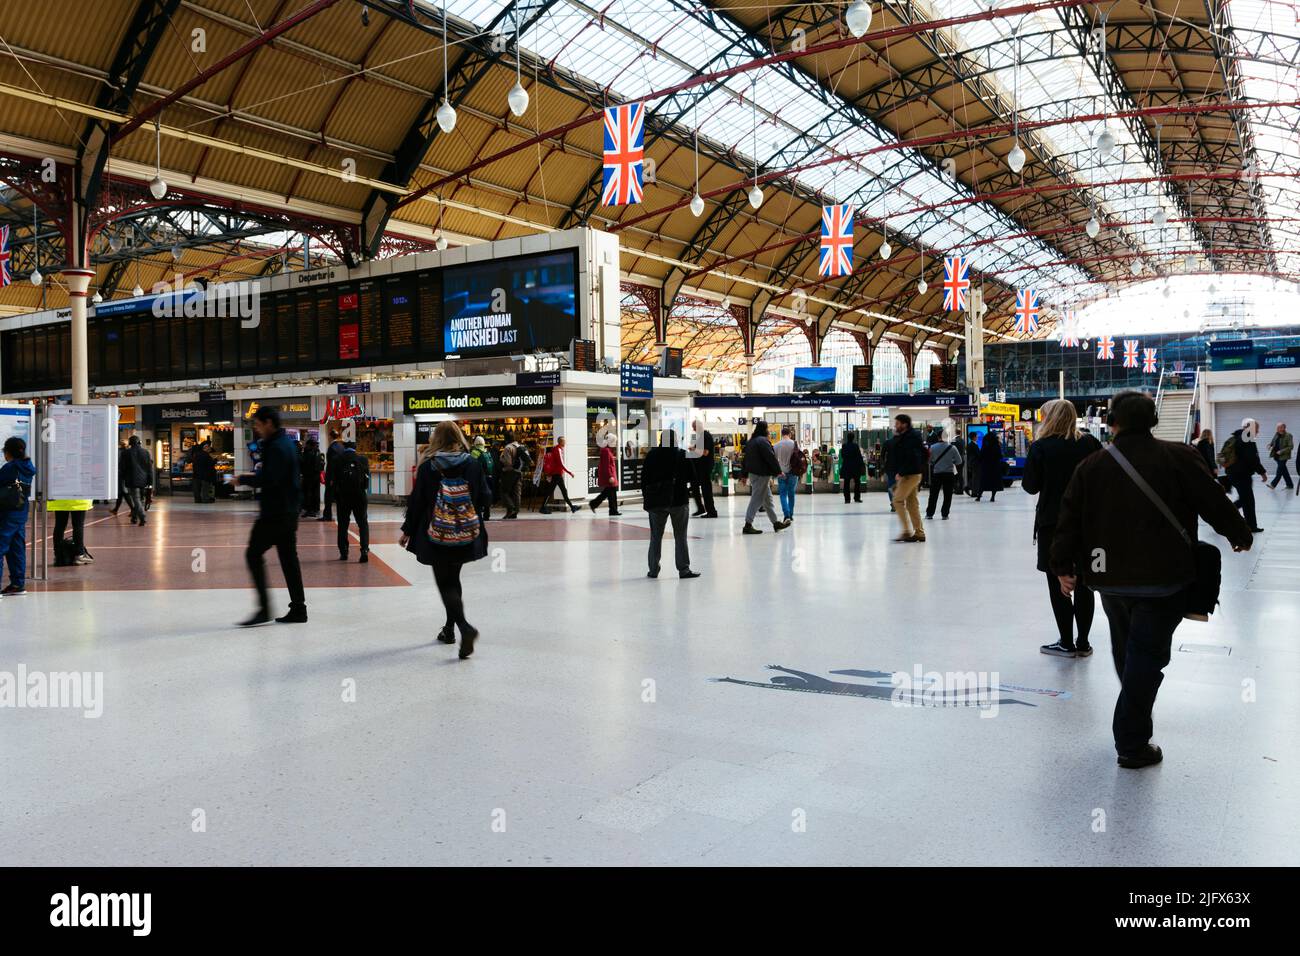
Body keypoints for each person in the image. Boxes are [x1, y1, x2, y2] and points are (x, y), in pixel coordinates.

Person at [1051, 391, 1252, 769]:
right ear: (1154, 421)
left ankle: (1134, 721)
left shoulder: (1092, 465)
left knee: (1127, 651)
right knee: (1145, 657)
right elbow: (1214, 500)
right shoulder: (1179, 457)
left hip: (1107, 577)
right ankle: (1131, 742)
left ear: (1112, 422)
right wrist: (1238, 534)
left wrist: (1063, 567)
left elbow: (1069, 518)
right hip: (1164, 578)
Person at [400, 421, 490, 658]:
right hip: (465, 532)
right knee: (454, 578)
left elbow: (417, 501)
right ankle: (449, 630)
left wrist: (407, 529)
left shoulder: (429, 466)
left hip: (436, 533)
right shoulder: (472, 462)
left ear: (436, 439)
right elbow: (486, 495)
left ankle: (464, 628)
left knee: (445, 583)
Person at [1022, 399, 1101, 657]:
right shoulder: (1090, 443)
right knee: (1085, 582)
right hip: (1087, 522)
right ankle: (1084, 642)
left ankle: (1066, 641)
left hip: (1052, 524)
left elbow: (1030, 486)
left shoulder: (1041, 447)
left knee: (1059, 581)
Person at [237, 406, 307, 626]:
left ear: (268, 423)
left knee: (253, 554)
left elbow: (270, 479)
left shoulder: (276, 446)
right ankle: (298, 609)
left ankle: (265, 608)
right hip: (288, 511)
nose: (257, 429)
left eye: (258, 424)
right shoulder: (285, 443)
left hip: (275, 513)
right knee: (288, 560)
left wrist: (243, 479)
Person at [642, 428, 699, 579]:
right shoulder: (682, 454)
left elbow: (644, 480)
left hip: (656, 501)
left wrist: (647, 497)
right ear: (676, 439)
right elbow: (693, 478)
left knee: (656, 536)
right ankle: (684, 570)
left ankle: (653, 570)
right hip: (679, 500)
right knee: (680, 536)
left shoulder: (651, 455)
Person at [0, 437, 35, 596]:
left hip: (6, 513)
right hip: (21, 513)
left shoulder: (10, 468)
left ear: (8, 452)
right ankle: (17, 584)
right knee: (16, 548)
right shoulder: (28, 467)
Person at [1220, 418, 1267, 533]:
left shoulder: (1237, 436)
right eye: (1257, 428)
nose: (1258, 431)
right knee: (1248, 500)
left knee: (1244, 499)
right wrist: (1262, 472)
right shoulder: (1247, 438)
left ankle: (1225, 515)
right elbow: (1252, 458)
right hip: (1241, 474)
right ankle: (1250, 526)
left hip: (1234, 473)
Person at [742, 421, 785, 535]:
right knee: (757, 499)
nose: (769, 431)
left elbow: (745, 459)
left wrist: (744, 474)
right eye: (767, 429)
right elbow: (770, 457)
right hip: (762, 474)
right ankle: (748, 524)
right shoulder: (763, 441)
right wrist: (779, 471)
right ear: (764, 429)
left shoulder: (751, 441)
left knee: (767, 499)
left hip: (753, 474)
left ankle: (776, 523)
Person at [888, 414, 926, 542]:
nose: (896, 426)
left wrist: (901, 472)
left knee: (897, 500)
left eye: (898, 423)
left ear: (904, 424)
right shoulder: (907, 436)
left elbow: (911, 456)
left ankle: (906, 531)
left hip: (910, 474)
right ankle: (919, 533)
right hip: (912, 473)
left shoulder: (911, 437)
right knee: (912, 504)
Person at [332, 442, 371, 563]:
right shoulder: (363, 459)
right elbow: (366, 480)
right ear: (355, 448)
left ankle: (344, 551)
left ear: (344, 448)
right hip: (359, 496)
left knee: (343, 525)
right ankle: (364, 549)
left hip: (343, 497)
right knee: (363, 523)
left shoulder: (337, 459)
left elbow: (333, 479)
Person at [924, 430, 963, 521]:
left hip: (936, 474)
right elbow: (959, 461)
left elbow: (929, 461)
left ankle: (929, 514)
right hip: (949, 474)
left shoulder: (932, 447)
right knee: (948, 495)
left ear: (938, 437)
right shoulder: (952, 448)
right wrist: (951, 461)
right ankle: (945, 514)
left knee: (933, 495)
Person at [118, 435, 153, 527]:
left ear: (130, 443)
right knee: (140, 499)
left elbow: (121, 467)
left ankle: (142, 517)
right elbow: (149, 468)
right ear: (139, 442)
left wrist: (122, 477)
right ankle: (134, 517)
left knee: (136, 500)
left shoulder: (126, 453)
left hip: (131, 479)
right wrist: (150, 482)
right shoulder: (146, 452)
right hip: (144, 480)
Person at [539, 436, 579, 514]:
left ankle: (572, 507)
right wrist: (569, 472)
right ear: (560, 442)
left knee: (562, 491)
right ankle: (542, 507)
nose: (565, 443)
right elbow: (561, 463)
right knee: (551, 491)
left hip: (557, 474)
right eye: (564, 441)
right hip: (557, 474)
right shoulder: (558, 449)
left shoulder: (556, 449)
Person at [49, 498, 93, 566]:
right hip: (78, 499)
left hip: (60, 499)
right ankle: (79, 555)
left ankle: (58, 555)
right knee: (78, 526)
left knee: (59, 526)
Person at [689, 420, 718, 518]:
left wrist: (693, 449)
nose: (693, 429)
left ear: (699, 426)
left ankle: (712, 511)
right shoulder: (698, 437)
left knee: (706, 490)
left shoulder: (706, 436)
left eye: (694, 427)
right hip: (698, 468)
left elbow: (705, 452)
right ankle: (701, 508)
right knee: (694, 487)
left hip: (705, 467)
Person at [773, 425, 800, 524]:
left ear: (782, 434)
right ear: (790, 434)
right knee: (791, 493)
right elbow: (799, 458)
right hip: (793, 472)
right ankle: (791, 514)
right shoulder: (795, 444)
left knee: (783, 494)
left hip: (781, 472)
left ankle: (786, 515)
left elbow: (774, 460)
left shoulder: (776, 445)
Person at [588, 438, 620, 516]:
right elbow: (606, 465)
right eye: (614, 441)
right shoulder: (606, 451)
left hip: (610, 475)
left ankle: (612, 510)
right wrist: (610, 476)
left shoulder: (607, 450)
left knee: (610, 492)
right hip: (609, 476)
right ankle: (595, 504)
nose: (615, 443)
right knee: (609, 492)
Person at [320, 429, 344, 522]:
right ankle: (341, 515)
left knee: (328, 497)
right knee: (339, 497)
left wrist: (331, 478)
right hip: (339, 476)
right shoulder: (341, 447)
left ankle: (327, 515)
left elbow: (332, 464)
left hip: (332, 476)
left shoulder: (332, 447)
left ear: (330, 436)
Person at [470, 435, 494, 520]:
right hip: (489, 476)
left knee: (478, 495)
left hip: (480, 477)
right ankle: (487, 514)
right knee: (487, 494)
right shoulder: (487, 452)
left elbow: (471, 464)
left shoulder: (475, 452)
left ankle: (478, 513)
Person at [976, 430, 1005, 502]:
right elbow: (1000, 456)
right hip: (995, 466)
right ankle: (992, 497)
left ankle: (979, 497)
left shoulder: (985, 446)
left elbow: (981, 455)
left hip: (985, 466)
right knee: (994, 483)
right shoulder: (996, 445)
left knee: (983, 482)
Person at [299, 438, 323, 517]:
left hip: (309, 477)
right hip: (316, 477)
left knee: (308, 494)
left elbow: (305, 464)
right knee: (315, 494)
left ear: (309, 445)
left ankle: (309, 510)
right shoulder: (318, 452)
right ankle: (315, 509)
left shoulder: (309, 453)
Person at [840, 431, 866, 503]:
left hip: (846, 466)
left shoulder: (844, 446)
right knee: (857, 482)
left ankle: (847, 499)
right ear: (853, 438)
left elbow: (842, 455)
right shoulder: (855, 446)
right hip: (855, 467)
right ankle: (857, 498)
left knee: (846, 483)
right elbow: (859, 457)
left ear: (847, 438)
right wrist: (861, 465)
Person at [1267, 422, 1294, 490]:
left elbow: (1291, 446)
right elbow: (1273, 442)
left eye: (1279, 427)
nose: (1277, 428)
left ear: (1283, 428)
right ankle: (1290, 485)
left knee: (1279, 471)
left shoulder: (1288, 435)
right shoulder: (1276, 434)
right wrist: (1270, 445)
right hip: (1276, 456)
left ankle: (1273, 484)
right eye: (1277, 427)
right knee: (1284, 471)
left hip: (1283, 456)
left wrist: (1281, 451)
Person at [497, 450, 522, 519]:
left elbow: (508, 463)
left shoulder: (508, 448)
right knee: (516, 493)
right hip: (518, 472)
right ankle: (515, 511)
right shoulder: (518, 447)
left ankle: (511, 507)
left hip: (510, 473)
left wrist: (502, 461)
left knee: (504, 491)